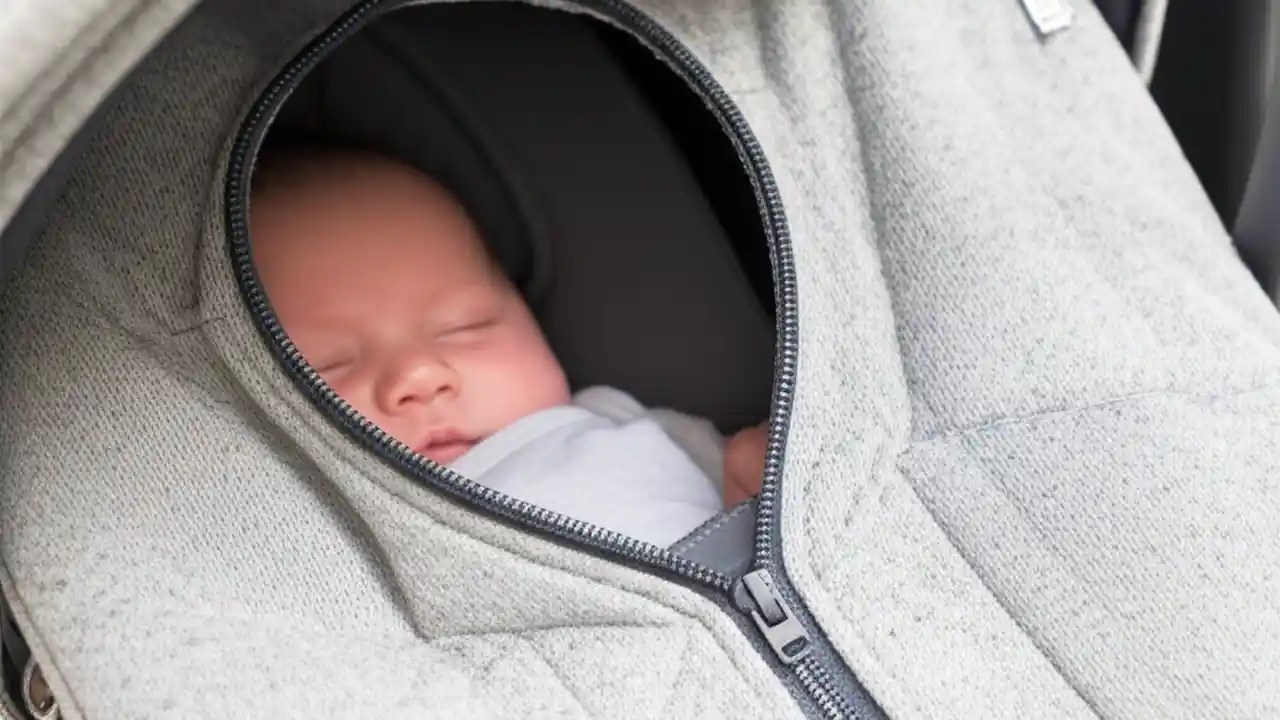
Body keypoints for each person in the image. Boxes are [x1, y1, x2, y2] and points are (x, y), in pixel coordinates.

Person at [249, 146, 767, 547]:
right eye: (329, 364)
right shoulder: (341, 538)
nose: (421, 375)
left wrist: (755, 474)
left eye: (465, 325)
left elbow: (753, 495)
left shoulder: (615, 420)